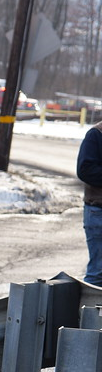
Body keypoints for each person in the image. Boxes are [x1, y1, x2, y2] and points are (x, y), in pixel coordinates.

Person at [78, 119, 102, 286]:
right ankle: (91, 312)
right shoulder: (96, 134)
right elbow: (85, 170)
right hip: (99, 210)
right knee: (98, 272)